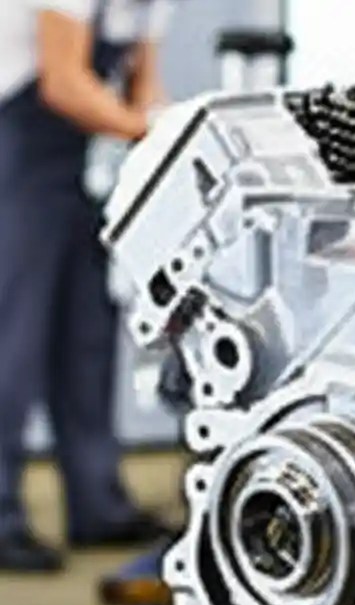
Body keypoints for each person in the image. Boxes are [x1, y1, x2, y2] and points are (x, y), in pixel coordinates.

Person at [0, 0, 176, 573]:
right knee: (13, 339)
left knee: (87, 334)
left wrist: (175, 130)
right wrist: (150, 132)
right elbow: (63, 83)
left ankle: (97, 505)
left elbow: (141, 83)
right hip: (16, 147)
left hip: (73, 158)